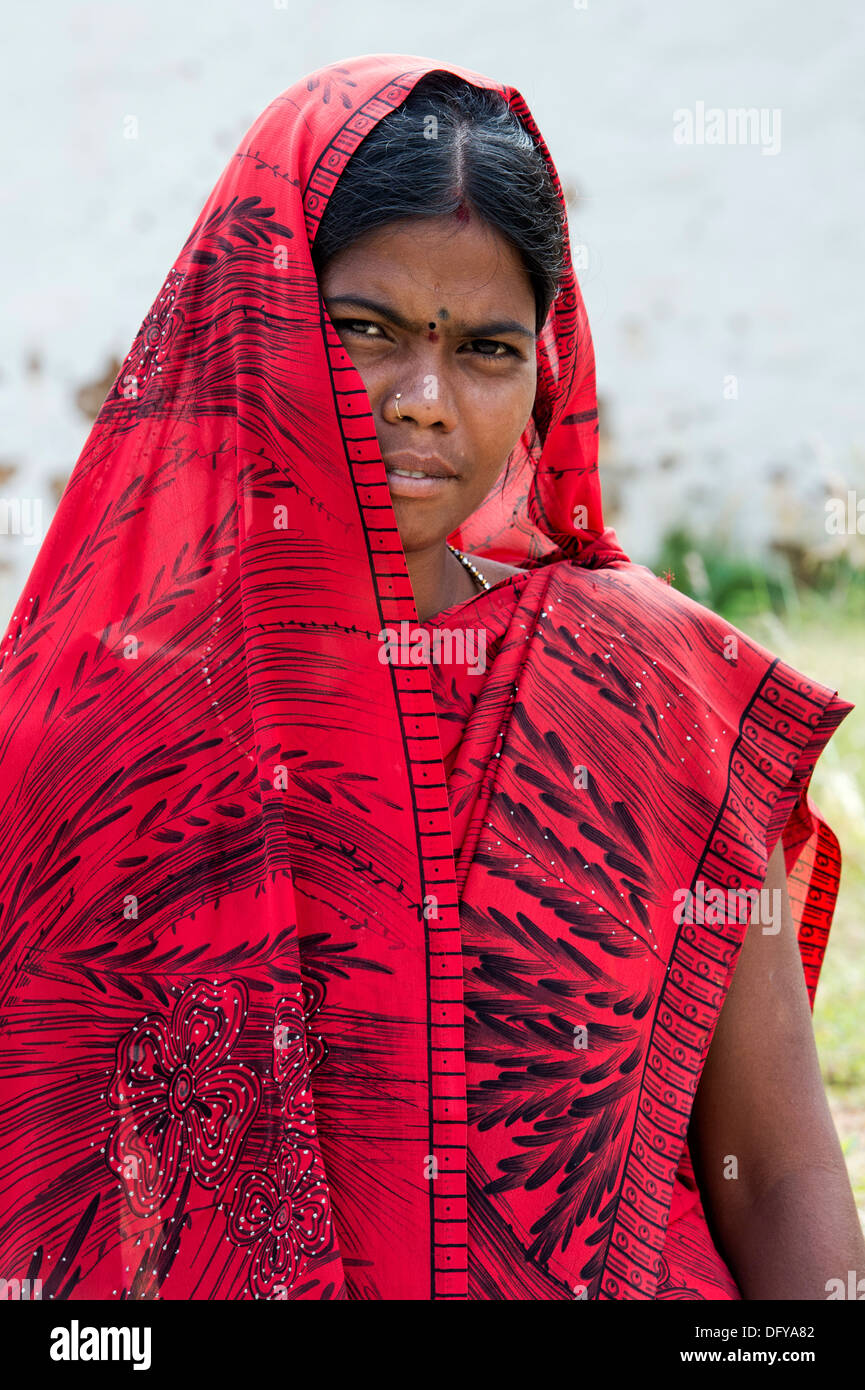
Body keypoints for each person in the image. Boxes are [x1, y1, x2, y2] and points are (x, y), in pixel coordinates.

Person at [0, 52, 861, 1302]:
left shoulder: (651, 688)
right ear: (256, 322)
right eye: (365, 330)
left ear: (542, 374)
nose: (423, 400)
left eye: (486, 349)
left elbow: (774, 1173)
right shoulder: (87, 730)